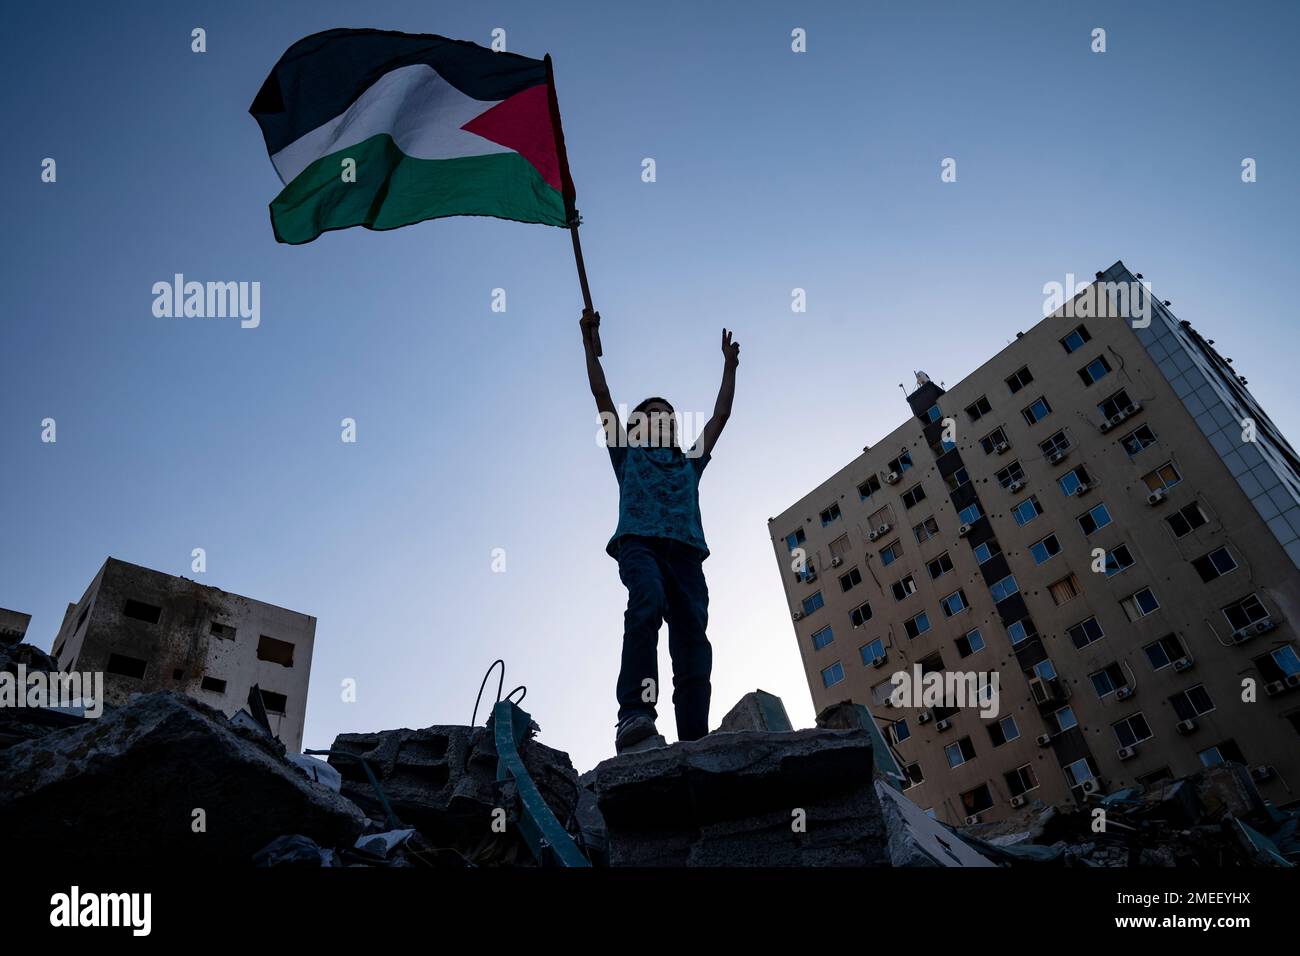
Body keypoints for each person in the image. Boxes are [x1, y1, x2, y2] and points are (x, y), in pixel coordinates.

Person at [579, 307, 739, 752]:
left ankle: (694, 738)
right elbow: (601, 394)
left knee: (692, 641)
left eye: (668, 415)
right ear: (636, 425)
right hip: (640, 546)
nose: (662, 418)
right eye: (652, 413)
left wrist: (729, 367)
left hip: (685, 555)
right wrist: (589, 345)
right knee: (646, 601)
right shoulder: (626, 454)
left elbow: (720, 417)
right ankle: (635, 715)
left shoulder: (689, 463)